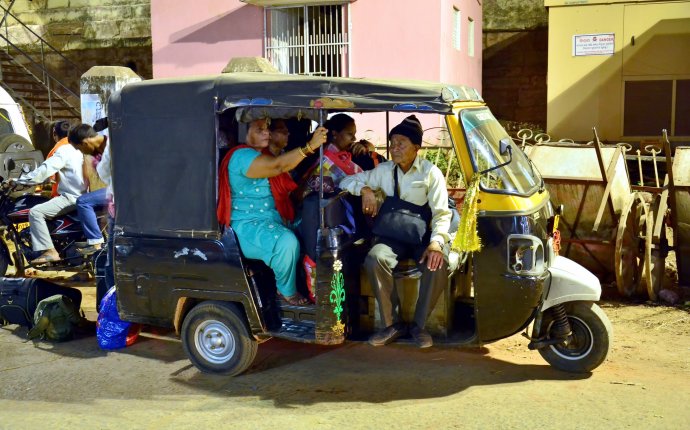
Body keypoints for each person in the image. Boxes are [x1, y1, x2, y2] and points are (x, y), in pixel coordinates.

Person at [339, 115, 452, 348]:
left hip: (422, 237)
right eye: (392, 142)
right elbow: (345, 181)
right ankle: (393, 324)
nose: (395, 147)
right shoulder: (383, 170)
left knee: (438, 263)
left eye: (402, 143)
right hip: (392, 235)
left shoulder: (431, 173)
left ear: (416, 147)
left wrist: (436, 243)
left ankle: (419, 326)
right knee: (374, 258)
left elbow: (442, 213)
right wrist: (366, 189)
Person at [217, 118, 327, 305]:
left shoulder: (260, 154)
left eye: (267, 129)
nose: (266, 133)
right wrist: (309, 147)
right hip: (247, 226)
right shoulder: (241, 157)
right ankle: (286, 291)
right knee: (287, 243)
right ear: (244, 133)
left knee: (314, 224)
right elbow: (278, 166)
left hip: (271, 219)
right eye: (260, 129)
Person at [20, 124, 102, 263]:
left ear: (54, 134)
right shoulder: (91, 148)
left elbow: (45, 171)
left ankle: (50, 251)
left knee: (35, 212)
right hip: (91, 194)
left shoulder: (62, 149)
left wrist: (21, 181)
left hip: (71, 197)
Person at [71, 124, 109, 255]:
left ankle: (95, 242)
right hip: (118, 189)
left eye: (79, 149)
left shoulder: (112, 148)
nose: (82, 152)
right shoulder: (102, 149)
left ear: (85, 143)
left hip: (125, 190)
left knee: (83, 201)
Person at [46, 120, 71, 198]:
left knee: (35, 210)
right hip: (82, 193)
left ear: (54, 134)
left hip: (61, 196)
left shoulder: (56, 150)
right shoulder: (78, 146)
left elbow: (50, 177)